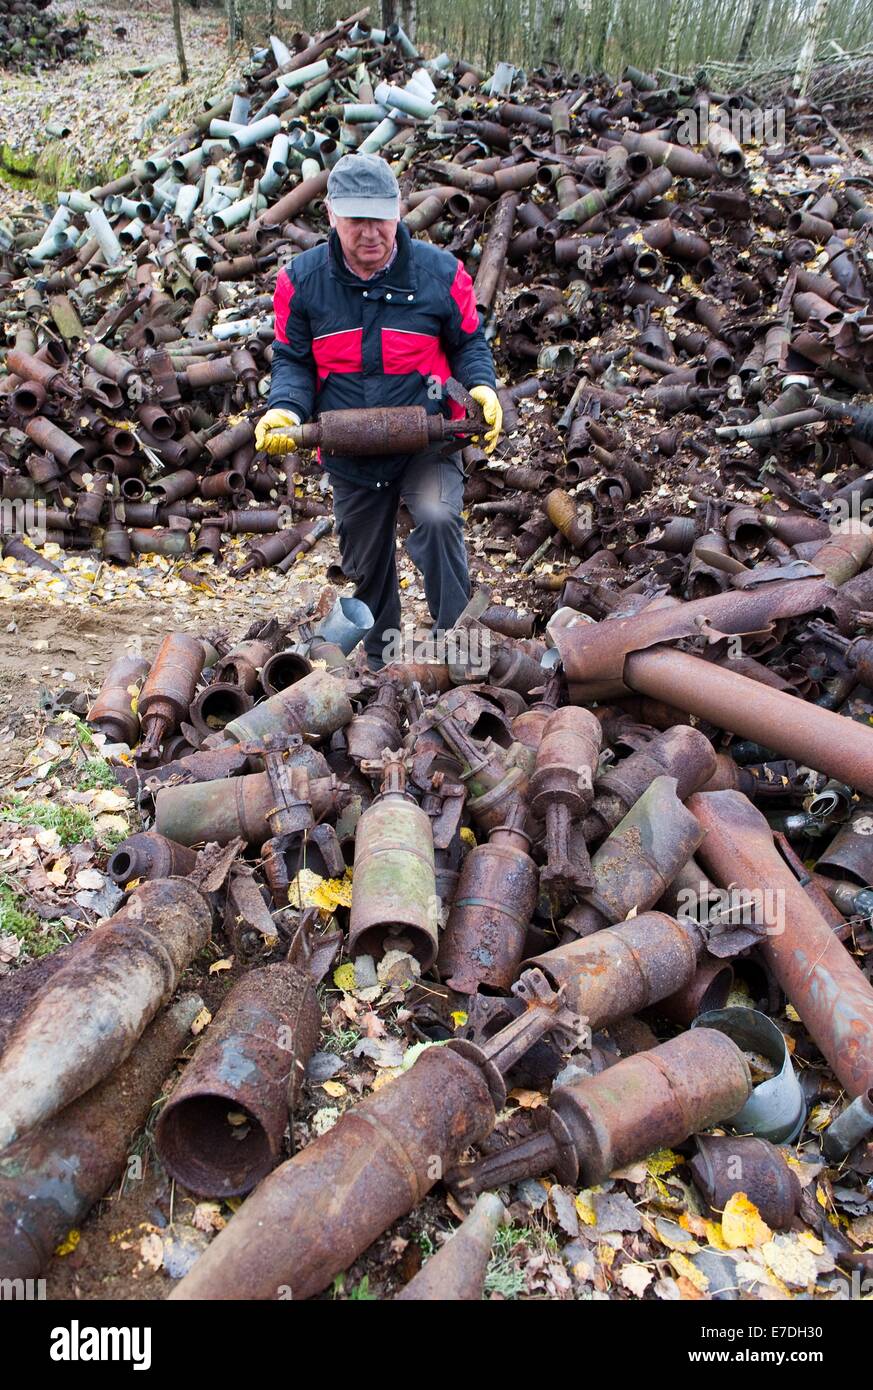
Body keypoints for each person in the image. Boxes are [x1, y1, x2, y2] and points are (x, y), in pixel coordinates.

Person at [254, 152, 502, 671]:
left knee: (436, 518)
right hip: (350, 448)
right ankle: (383, 666)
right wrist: (283, 411)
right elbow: (294, 362)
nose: (371, 233)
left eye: (380, 218)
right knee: (368, 567)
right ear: (332, 217)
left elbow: (470, 344)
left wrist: (482, 387)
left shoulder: (441, 274)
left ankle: (457, 652)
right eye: (356, 220)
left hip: (429, 438)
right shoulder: (301, 283)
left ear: (398, 213)